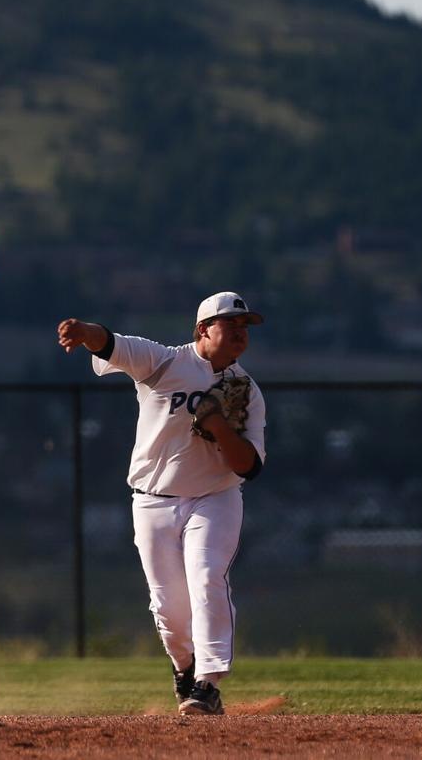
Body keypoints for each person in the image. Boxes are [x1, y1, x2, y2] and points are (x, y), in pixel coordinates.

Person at [56, 291, 267, 716]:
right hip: (153, 501)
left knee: (207, 576)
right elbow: (112, 343)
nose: (241, 333)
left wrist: (219, 427)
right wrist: (84, 332)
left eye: (245, 327)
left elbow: (249, 467)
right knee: (168, 605)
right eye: (232, 324)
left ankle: (208, 683)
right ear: (203, 329)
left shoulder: (246, 392)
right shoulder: (164, 362)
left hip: (215, 497)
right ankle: (185, 670)